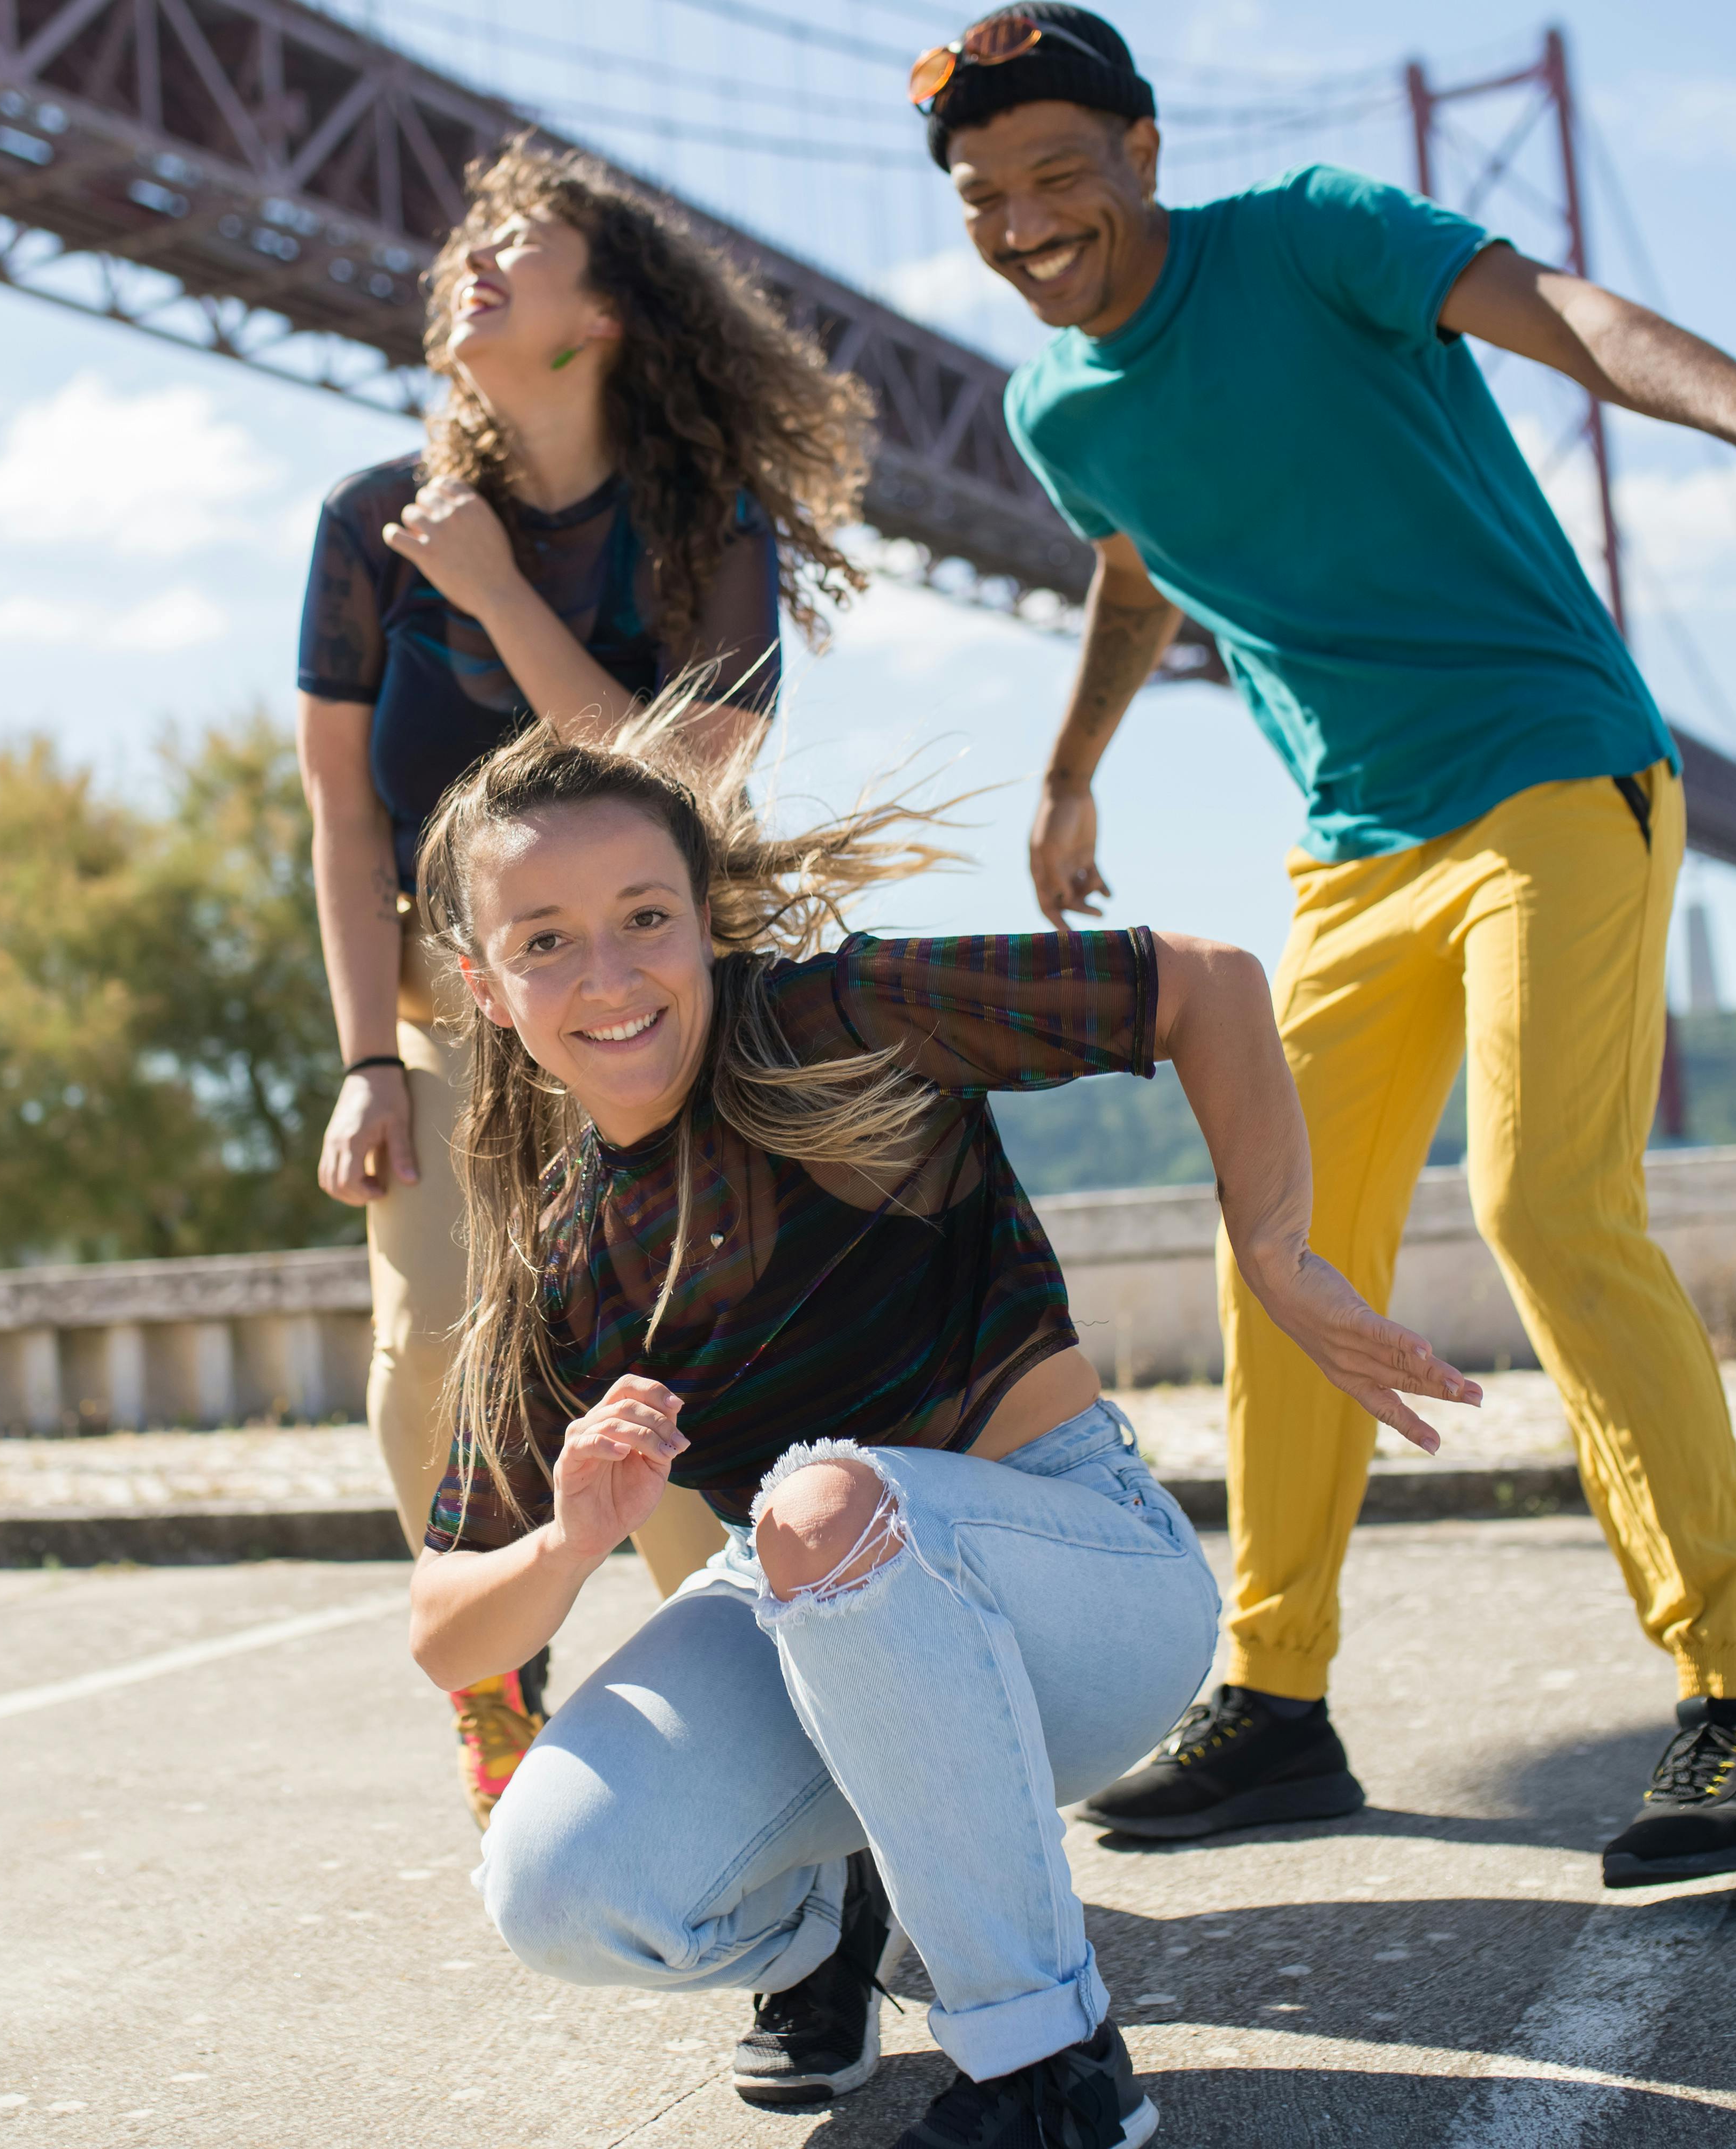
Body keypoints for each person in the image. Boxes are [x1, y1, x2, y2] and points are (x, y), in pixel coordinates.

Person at [917, 6, 1736, 1884]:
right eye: (988, 197)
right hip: (1349, 857)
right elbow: (1138, 561)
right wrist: (1071, 772)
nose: (1027, 220)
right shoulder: (1055, 411)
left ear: (1145, 152)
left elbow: (1569, 310)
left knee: (1548, 1208)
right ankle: (1279, 1706)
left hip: (1555, 772)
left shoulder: (1315, 232)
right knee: (1281, 1247)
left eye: (1062, 173)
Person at [405, 712, 1480, 2142]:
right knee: (552, 1885)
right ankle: (829, 1915)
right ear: (485, 986)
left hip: (1084, 1583)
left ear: (705, 924)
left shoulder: (843, 1018)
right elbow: (448, 1631)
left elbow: (1206, 989)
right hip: (814, 1600)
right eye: (544, 942)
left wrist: (1277, 1251)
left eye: (645, 917)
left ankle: (1049, 2070)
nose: (609, 975)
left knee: (818, 1507)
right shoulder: (554, 1254)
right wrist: (569, 1537)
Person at [294, 139, 874, 1825]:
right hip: (448, 1012)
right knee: (433, 1360)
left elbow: (687, 774)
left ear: (608, 309)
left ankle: (765, 1717)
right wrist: (363, 1059)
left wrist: (490, 592)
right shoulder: (364, 523)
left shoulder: (707, 525)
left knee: (687, 1363)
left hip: (654, 1012)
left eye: (520, 243)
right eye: (464, 242)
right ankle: (496, 1678)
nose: (470, 260)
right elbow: (343, 816)